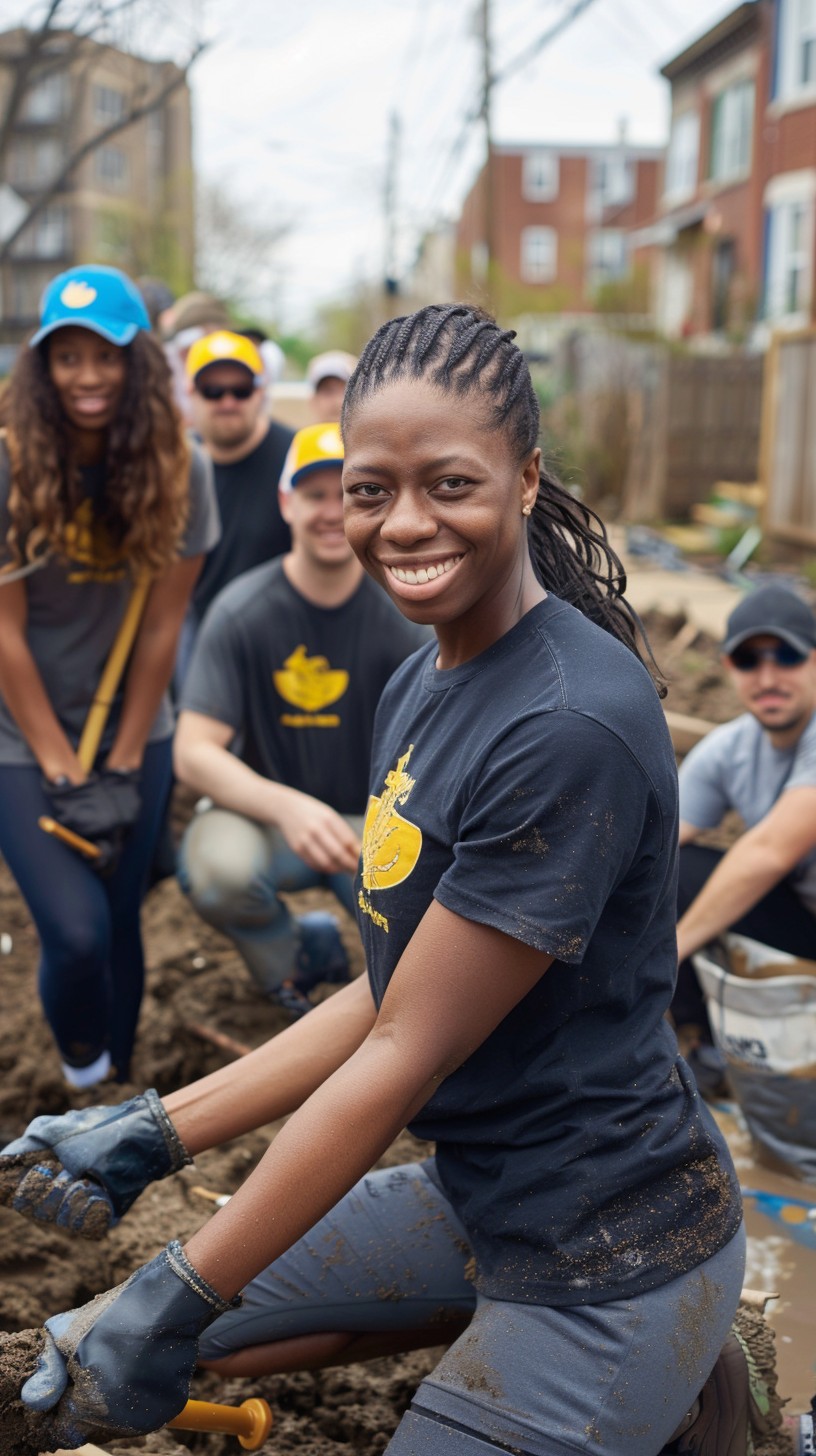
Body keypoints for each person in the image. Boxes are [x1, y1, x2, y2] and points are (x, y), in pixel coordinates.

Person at [1, 305, 746, 1456]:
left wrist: (172, 1286)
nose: (404, 523)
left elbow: (407, 1052)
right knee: (176, 1334)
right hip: (483, 1190)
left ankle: (697, 1384)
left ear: (528, 478)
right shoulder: (426, 682)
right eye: (368, 488)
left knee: (170, 1312)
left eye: (449, 482)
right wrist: (155, 1129)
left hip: (611, 1245)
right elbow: (393, 990)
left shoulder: (565, 724)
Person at [0, 264, 219, 1088]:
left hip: (137, 726)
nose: (87, 376)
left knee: (121, 919)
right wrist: (63, 765)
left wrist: (126, 759)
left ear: (139, 364)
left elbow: (165, 623)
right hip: (19, 735)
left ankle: (120, 1090)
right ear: (43, 366)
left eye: (107, 355)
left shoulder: (180, 469)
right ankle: (83, 1072)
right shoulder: (9, 466)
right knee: (75, 931)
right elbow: (5, 635)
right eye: (68, 357)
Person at [174, 421, 429, 1015]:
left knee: (417, 936)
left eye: (353, 493)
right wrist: (287, 806)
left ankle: (393, 1007)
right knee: (218, 871)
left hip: (379, 823)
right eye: (315, 494)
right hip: (270, 821)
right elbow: (193, 750)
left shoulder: (406, 613)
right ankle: (291, 961)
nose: (331, 512)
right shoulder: (242, 611)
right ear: (286, 502)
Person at [673, 583, 816, 1073]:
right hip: (802, 917)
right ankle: (704, 1043)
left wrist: (668, 952)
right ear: (729, 667)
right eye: (750, 661)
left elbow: (770, 852)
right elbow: (650, 843)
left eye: (788, 657)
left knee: (728, 882)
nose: (768, 677)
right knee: (671, 874)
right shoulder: (729, 749)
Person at [176, 330, 293, 684]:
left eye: (240, 389)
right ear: (190, 395)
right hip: (193, 647)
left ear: (261, 392)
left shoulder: (297, 461)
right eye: (213, 391)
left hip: (281, 644)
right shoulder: (172, 467)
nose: (228, 401)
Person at [306, 349, 357, 422]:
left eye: (346, 391)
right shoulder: (304, 433)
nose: (337, 401)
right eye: (328, 392)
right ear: (313, 400)